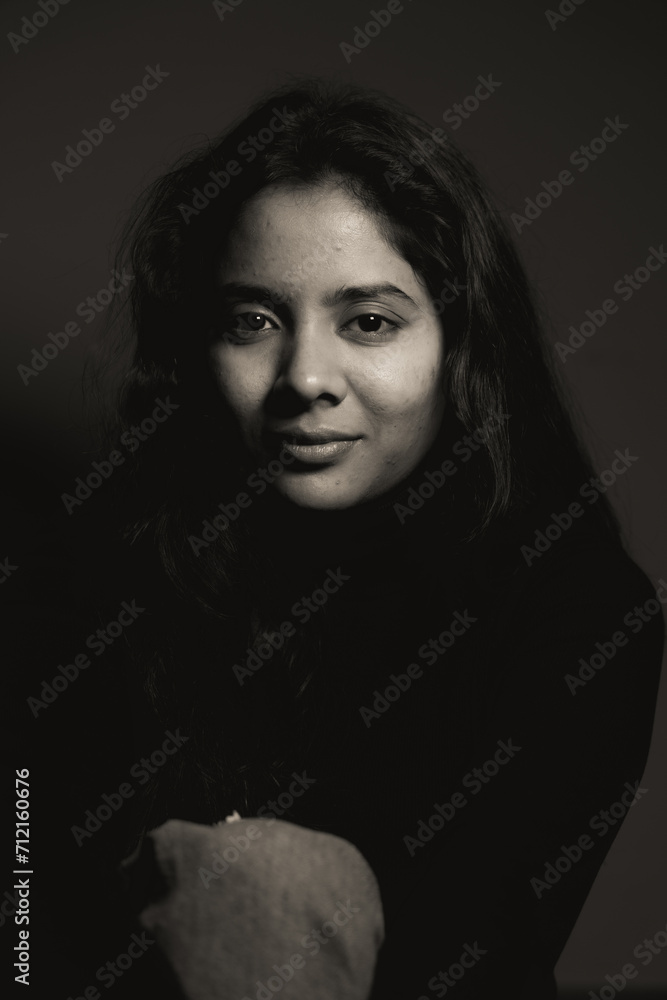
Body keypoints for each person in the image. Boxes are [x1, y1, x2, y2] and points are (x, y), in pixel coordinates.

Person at [13, 78, 663, 998]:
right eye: (254, 321)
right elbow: (28, 923)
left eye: (368, 321)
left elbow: (472, 956)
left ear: (460, 345)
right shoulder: (96, 580)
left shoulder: (577, 613)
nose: (305, 377)